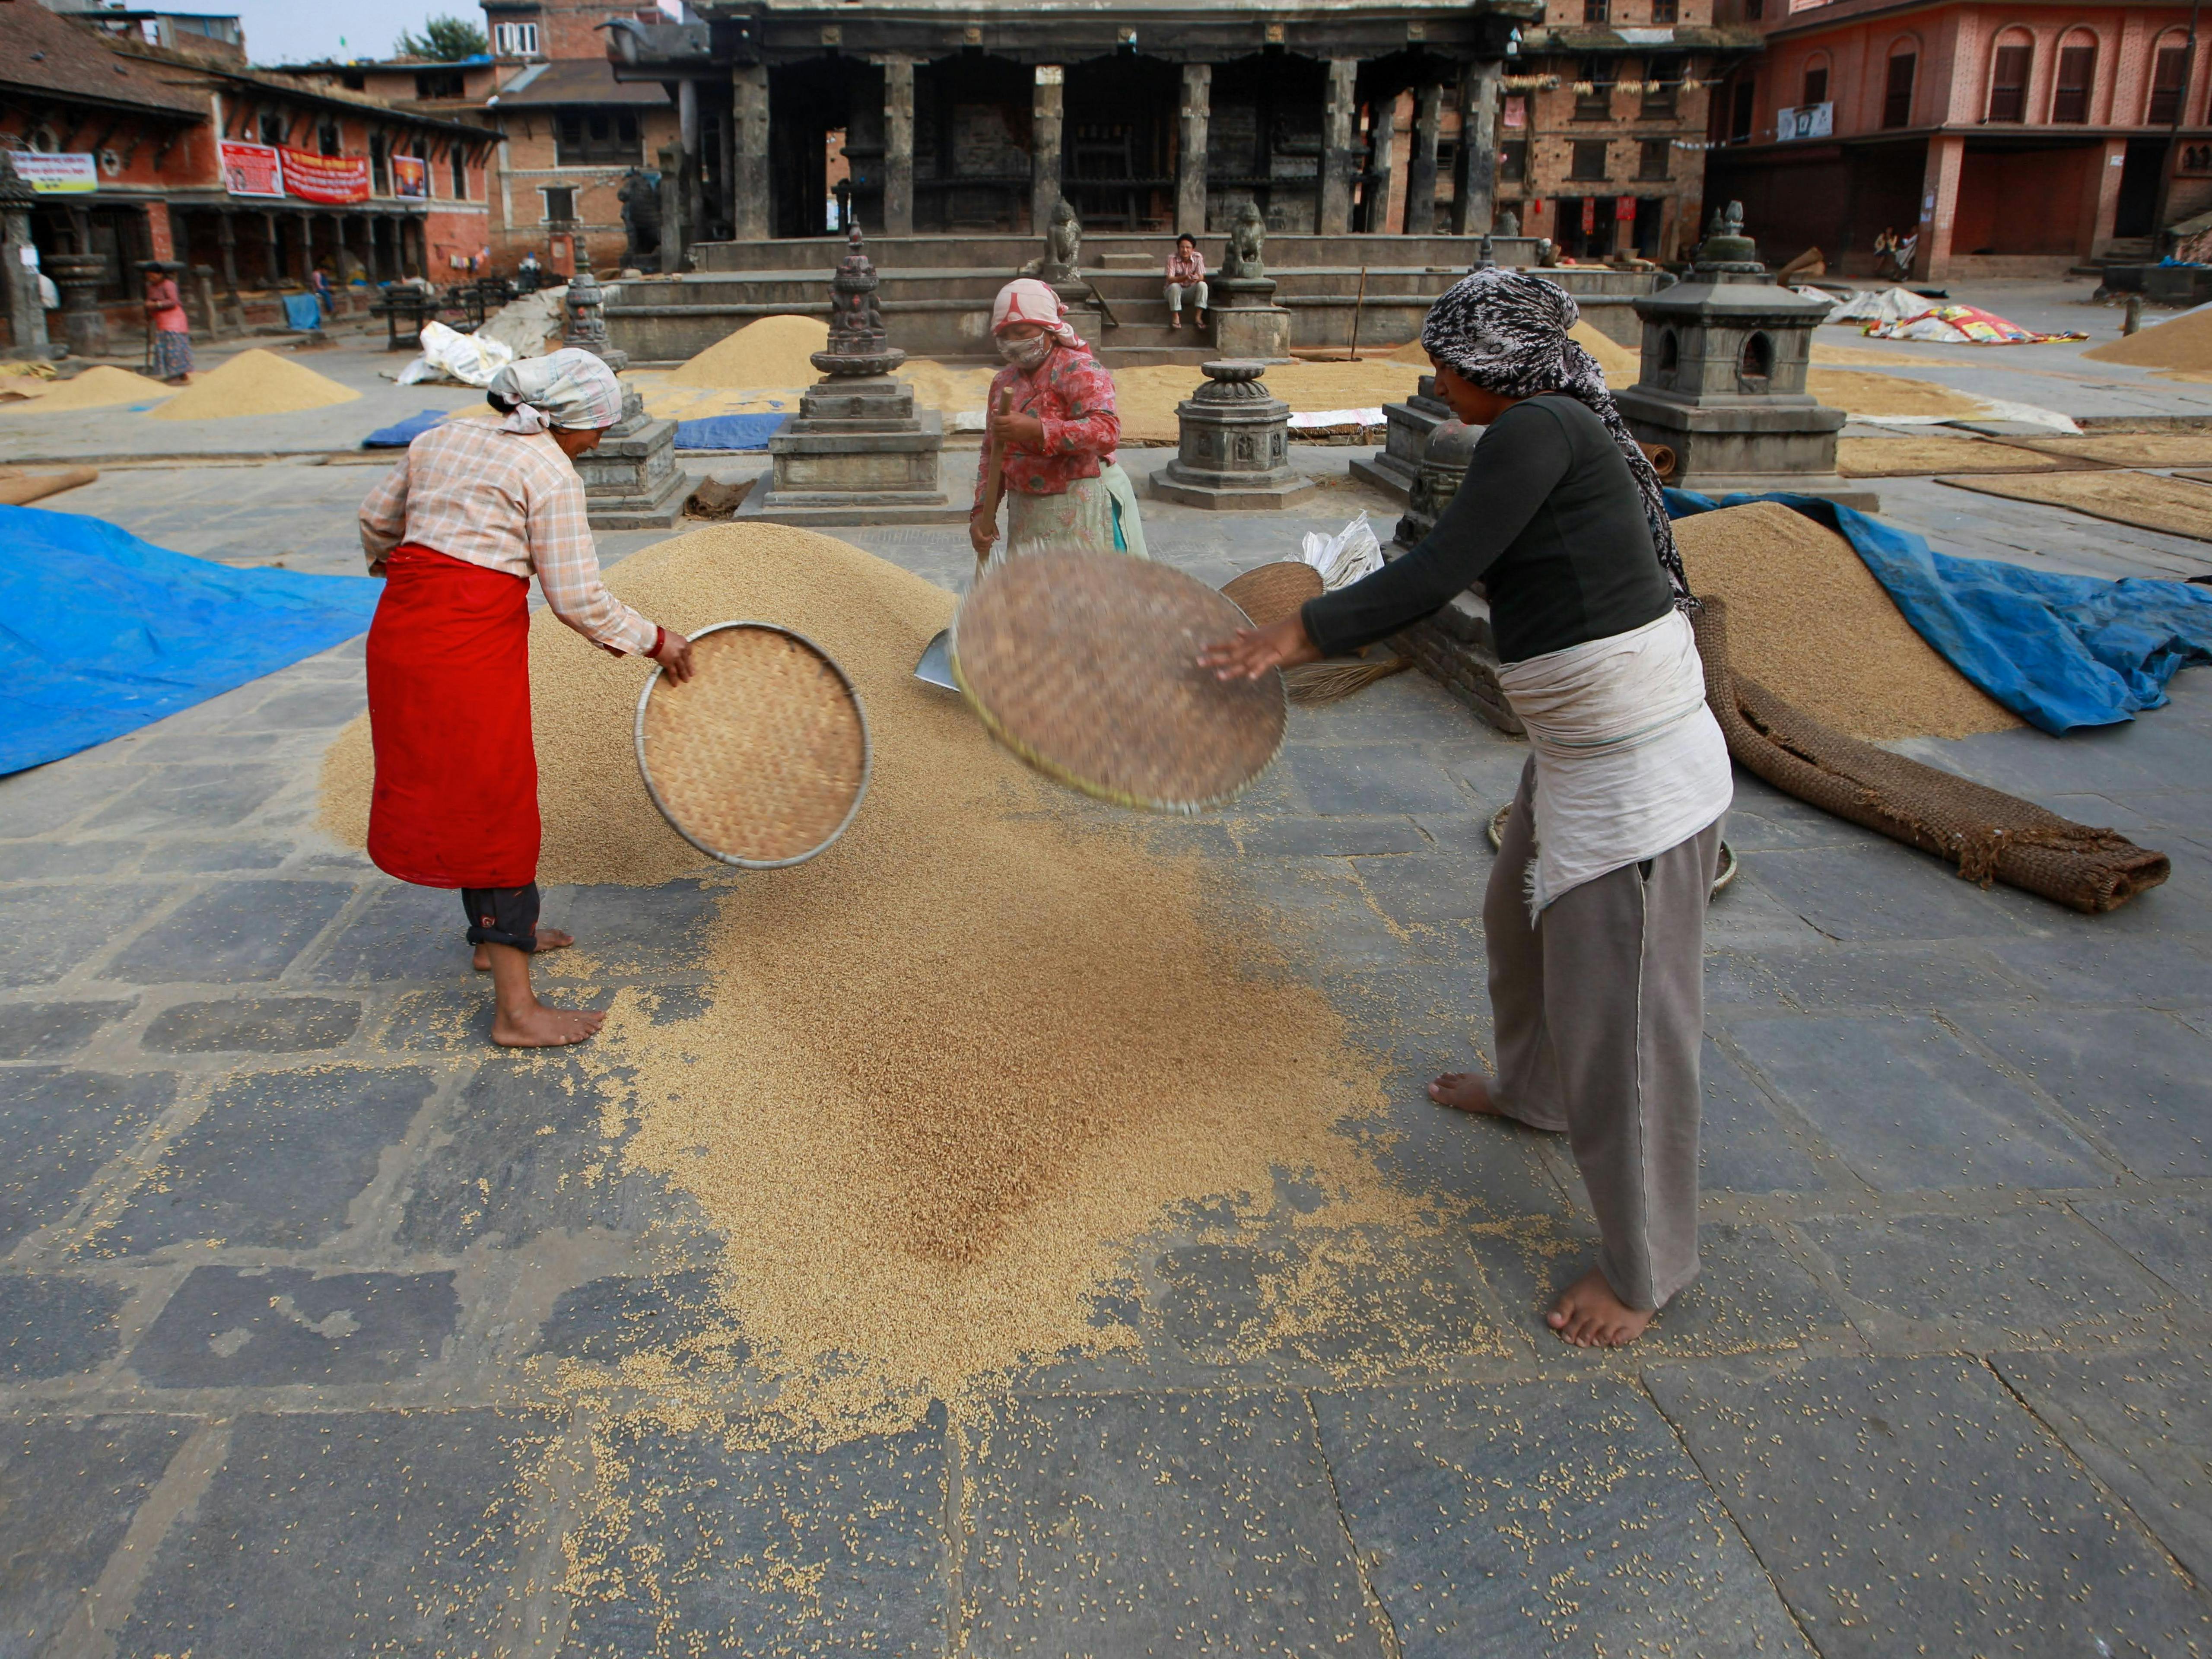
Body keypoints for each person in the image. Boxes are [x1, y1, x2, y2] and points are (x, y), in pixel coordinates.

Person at [1200, 268, 1732, 1349]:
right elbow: (1429, 557)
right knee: (1513, 914)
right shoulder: (1548, 429)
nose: (1434, 378)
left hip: (1636, 766)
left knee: (1621, 1019)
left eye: (1446, 359)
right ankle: (1533, 1093)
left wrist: (1292, 637)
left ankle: (1645, 1267)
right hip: (1576, 745)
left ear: (1494, 362)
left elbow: (1442, 567)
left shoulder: (1537, 430)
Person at [357, 349, 696, 1048]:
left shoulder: (440, 437)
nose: (599, 440)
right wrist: (656, 641)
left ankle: (495, 939)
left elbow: (375, 521)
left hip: (402, 632)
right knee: (496, 803)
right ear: (568, 421)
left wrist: (414, 576)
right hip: (465, 650)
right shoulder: (547, 470)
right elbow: (575, 599)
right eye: (598, 427)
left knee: (463, 790)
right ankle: (516, 1012)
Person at [969, 277, 1149, 567]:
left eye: (1023, 332)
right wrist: (981, 512)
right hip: (1027, 514)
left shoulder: (1081, 370)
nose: (1015, 343)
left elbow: (1106, 432)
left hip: (1081, 504)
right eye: (1006, 335)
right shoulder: (1003, 382)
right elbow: (992, 452)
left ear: (1049, 330)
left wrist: (1040, 430)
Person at [141, 263, 192, 385]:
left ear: (160, 274)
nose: (151, 279)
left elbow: (174, 301)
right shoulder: (151, 287)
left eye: (153, 276)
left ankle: (178, 376)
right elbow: (150, 302)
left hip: (174, 320)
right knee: (164, 348)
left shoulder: (169, 285)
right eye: (148, 276)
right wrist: (149, 315)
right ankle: (175, 375)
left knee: (174, 348)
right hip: (161, 320)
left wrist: (157, 305)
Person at [1165, 233, 1208, 331]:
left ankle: (1198, 318)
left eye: (1188, 248)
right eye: (1182, 247)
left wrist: (1196, 278)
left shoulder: (1198, 257)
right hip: (1173, 293)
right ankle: (1176, 318)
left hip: (1190, 291)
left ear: (1193, 249)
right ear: (1178, 248)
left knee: (1203, 285)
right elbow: (1170, 279)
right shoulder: (1172, 258)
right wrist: (1185, 278)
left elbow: (1202, 277)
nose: (1185, 250)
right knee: (1175, 286)